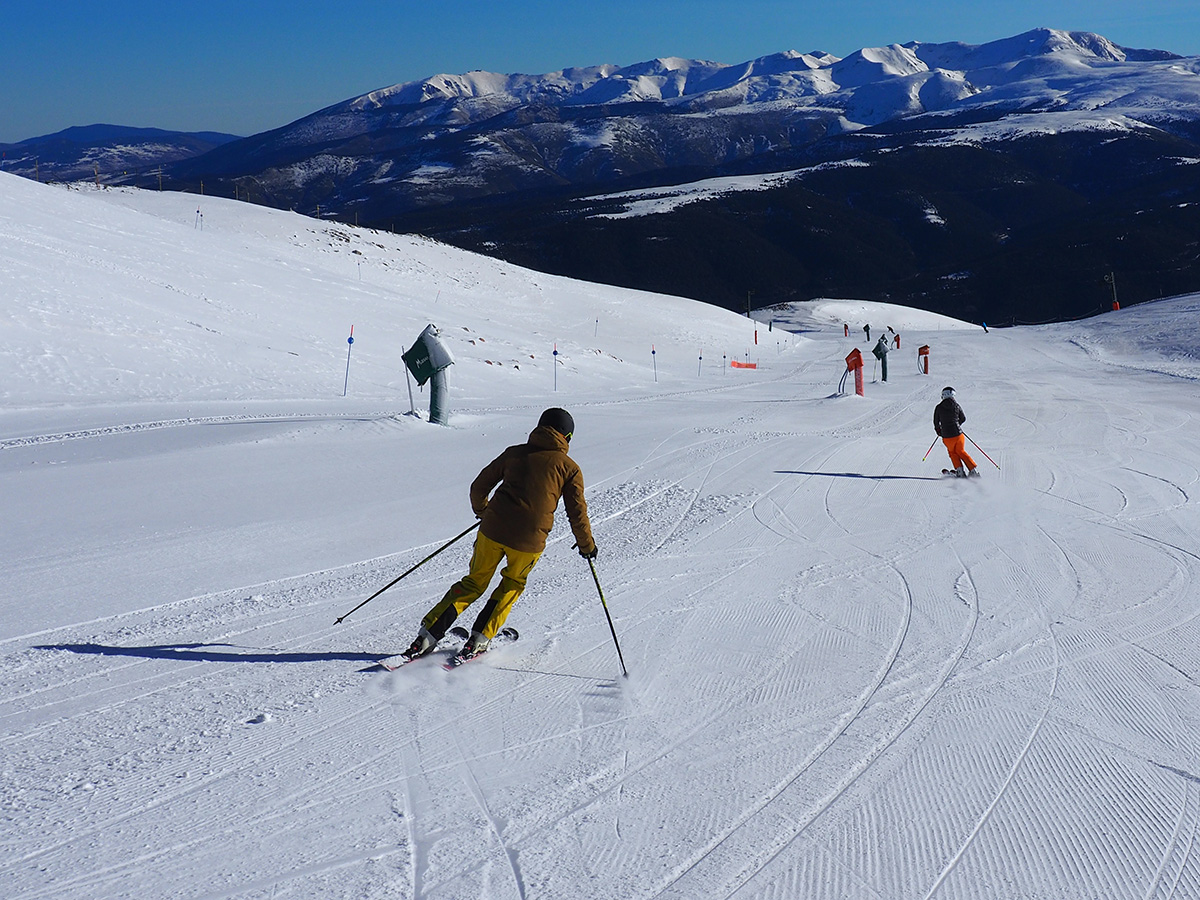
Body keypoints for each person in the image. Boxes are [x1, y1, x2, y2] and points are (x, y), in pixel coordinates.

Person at [401, 408, 597, 662]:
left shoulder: (514, 453)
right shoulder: (569, 468)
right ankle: (479, 639)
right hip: (528, 542)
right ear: (567, 437)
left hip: (492, 531)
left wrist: (483, 511)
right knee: (511, 584)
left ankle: (427, 636)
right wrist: (586, 546)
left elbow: (478, 487)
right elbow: (577, 513)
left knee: (473, 583)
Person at [934, 387, 979, 477]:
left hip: (947, 436)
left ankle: (960, 472)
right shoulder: (956, 405)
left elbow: (936, 422)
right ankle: (973, 471)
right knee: (961, 451)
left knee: (952, 452)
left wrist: (939, 431)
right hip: (958, 435)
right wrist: (957, 425)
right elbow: (963, 418)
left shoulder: (939, 407)